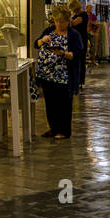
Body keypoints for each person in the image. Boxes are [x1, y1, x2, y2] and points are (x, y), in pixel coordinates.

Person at [34, 8, 84, 140]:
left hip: (63, 76)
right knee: (50, 103)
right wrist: (42, 40)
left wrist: (62, 53)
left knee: (64, 104)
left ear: (68, 21)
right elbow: (36, 44)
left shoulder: (73, 35)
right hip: (47, 75)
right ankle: (53, 128)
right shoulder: (49, 31)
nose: (59, 24)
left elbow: (77, 53)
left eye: (62, 22)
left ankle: (64, 130)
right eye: (57, 21)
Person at [69, 0, 90, 87]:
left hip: (81, 40)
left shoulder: (83, 15)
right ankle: (75, 79)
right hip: (74, 41)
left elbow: (73, 23)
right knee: (75, 61)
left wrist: (68, 18)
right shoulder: (74, 16)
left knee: (81, 60)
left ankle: (81, 81)